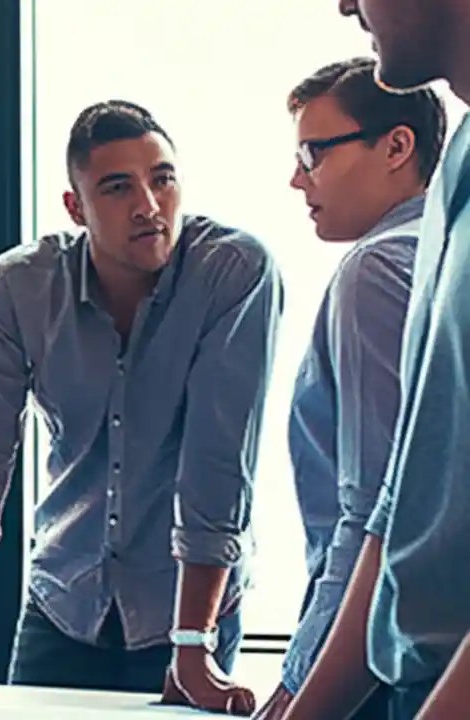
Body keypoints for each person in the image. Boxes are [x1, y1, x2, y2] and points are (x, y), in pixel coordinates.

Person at [0, 100, 282, 716]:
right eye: (117, 187)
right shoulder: (18, 286)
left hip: (188, 615)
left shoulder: (233, 271)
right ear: (75, 208)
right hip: (63, 606)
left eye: (162, 178)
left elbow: (217, 466)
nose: (149, 205)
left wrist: (193, 644)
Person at [286, 2, 470, 718]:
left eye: (312, 155)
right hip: (413, 682)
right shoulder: (453, 171)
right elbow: (394, 505)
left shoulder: (370, 268)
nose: (345, 3)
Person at [253, 56, 445, 720]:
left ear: (397, 146)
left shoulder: (376, 269)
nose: (296, 178)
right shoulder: (442, 253)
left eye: (314, 153)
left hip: (381, 667)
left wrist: (299, 683)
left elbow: (369, 514)